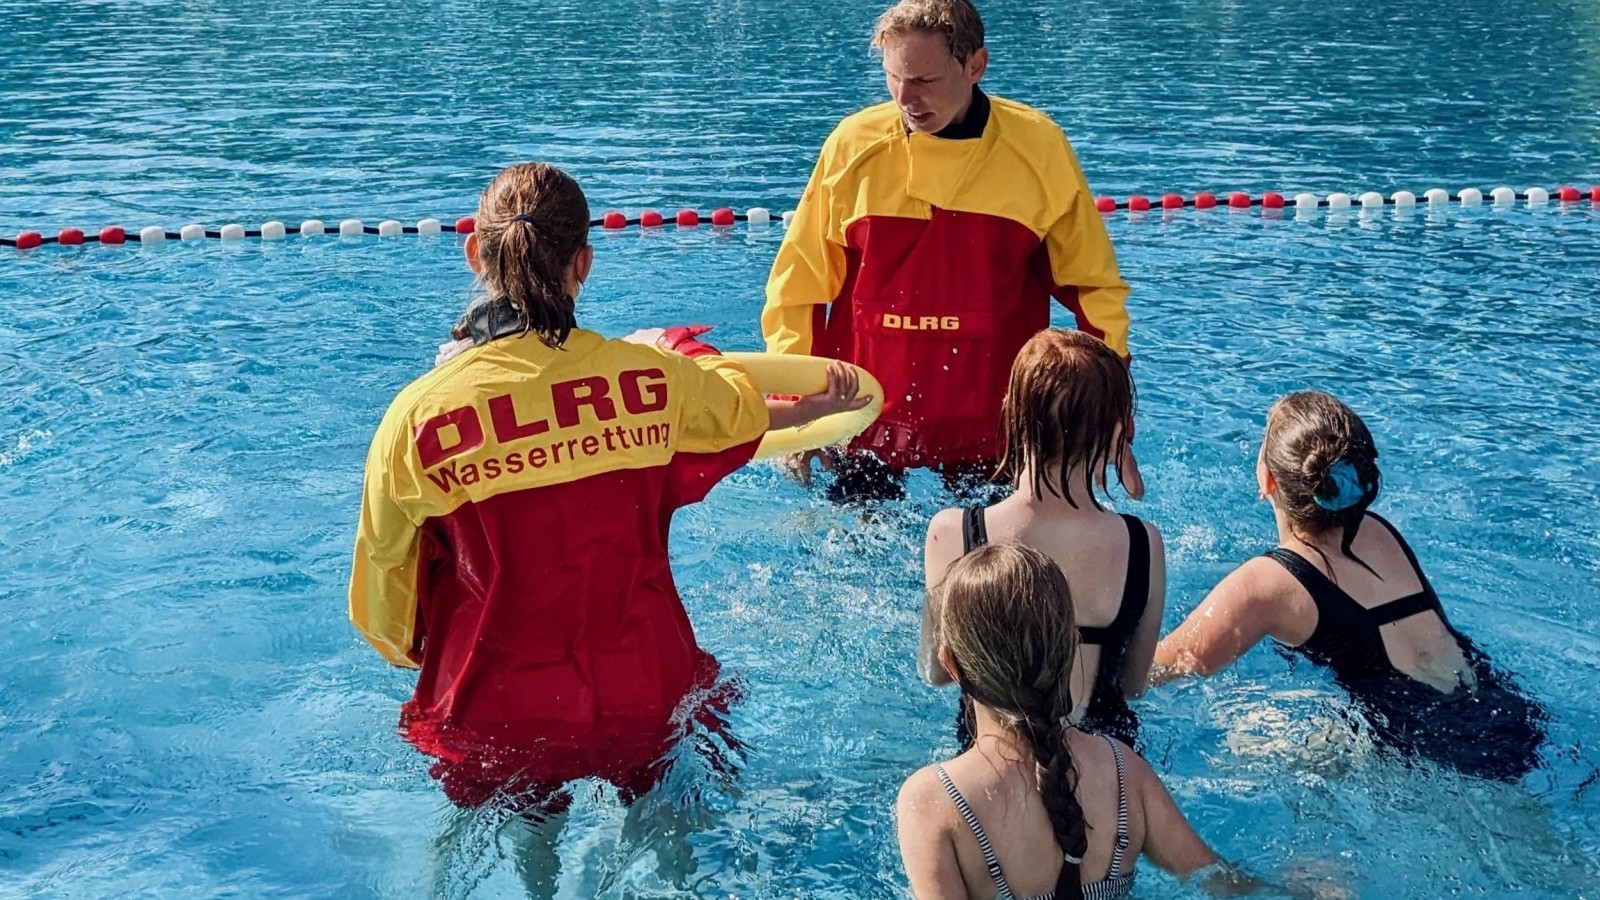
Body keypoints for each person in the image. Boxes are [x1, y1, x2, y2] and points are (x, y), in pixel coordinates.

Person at [347, 162, 869, 893]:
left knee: (528, 838)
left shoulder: (417, 417)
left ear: (475, 253)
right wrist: (691, 352)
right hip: (641, 688)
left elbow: (382, 610)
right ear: (584, 262)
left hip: (500, 705)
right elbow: (736, 409)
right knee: (673, 841)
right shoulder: (651, 381)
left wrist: (421, 655)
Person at [762, 0, 1141, 502]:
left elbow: (1094, 290)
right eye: (894, 77)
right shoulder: (853, 146)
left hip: (993, 414)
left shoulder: (1036, 149)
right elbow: (799, 284)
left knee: (1000, 569)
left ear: (975, 65)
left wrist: (1108, 411)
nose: (906, 98)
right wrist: (797, 404)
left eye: (925, 80)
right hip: (866, 405)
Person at [1153, 391, 1546, 782]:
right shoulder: (1378, 532)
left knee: (1239, 742)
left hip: (1435, 750)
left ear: (1267, 480)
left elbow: (1166, 666)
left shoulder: (1269, 583)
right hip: (1506, 712)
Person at [898, 542, 1220, 900]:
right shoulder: (1123, 771)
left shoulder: (934, 802)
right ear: (1071, 645)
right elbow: (1223, 883)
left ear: (952, 665)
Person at [921, 329, 1160, 750]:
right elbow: (1134, 683)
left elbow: (937, 671)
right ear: (1117, 433)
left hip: (994, 765)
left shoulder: (954, 533)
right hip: (1110, 764)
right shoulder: (1143, 545)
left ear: (1009, 416)